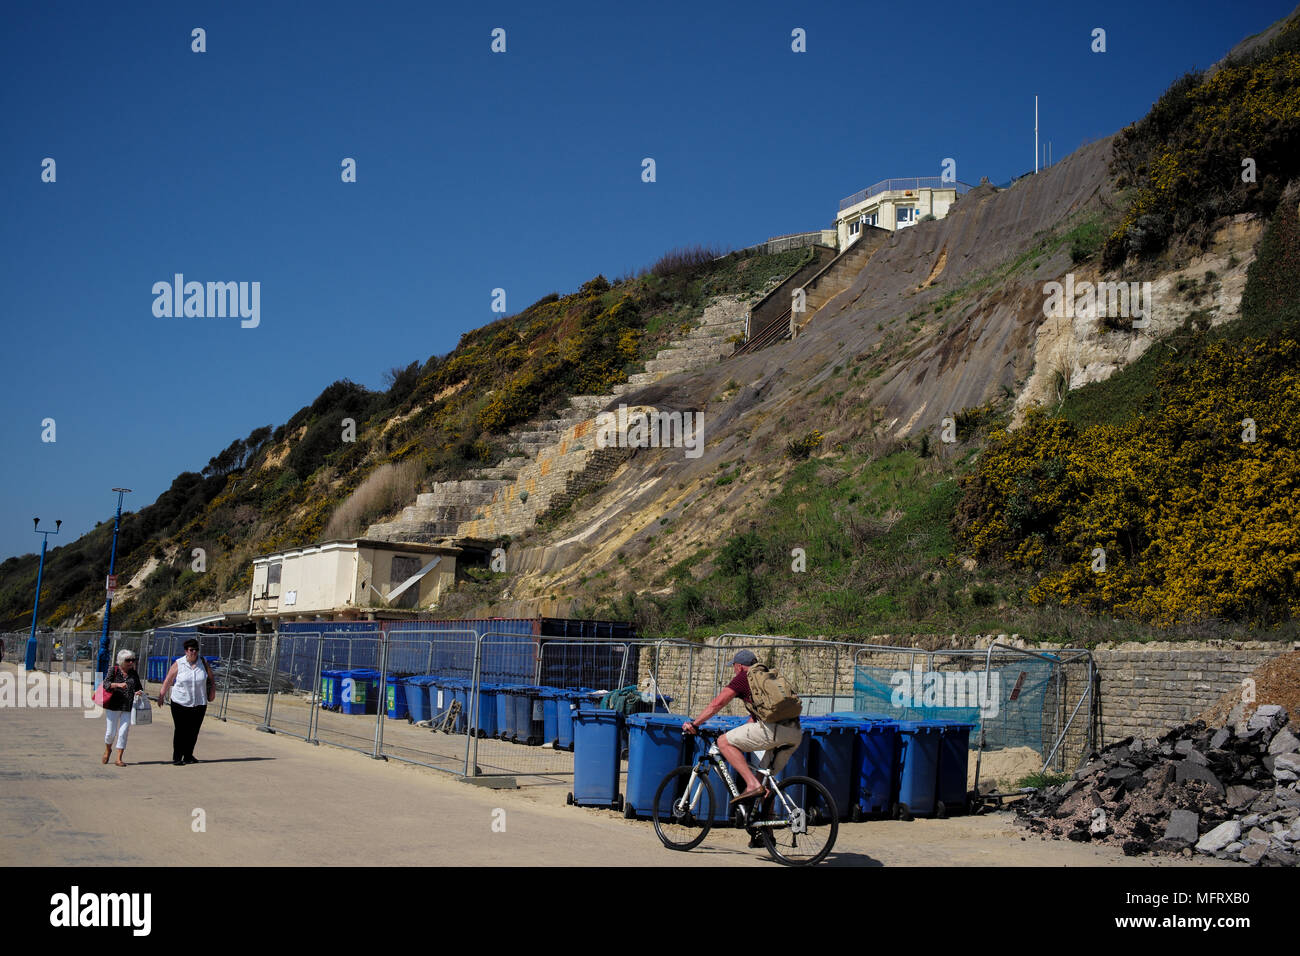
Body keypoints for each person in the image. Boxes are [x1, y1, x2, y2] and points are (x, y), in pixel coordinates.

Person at [682, 649, 803, 804]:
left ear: (739, 666)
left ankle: (751, 785)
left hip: (774, 731)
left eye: (733, 666)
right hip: (795, 732)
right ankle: (766, 824)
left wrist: (694, 724)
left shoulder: (743, 677)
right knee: (764, 782)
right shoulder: (767, 678)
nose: (734, 670)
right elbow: (756, 719)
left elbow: (717, 703)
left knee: (723, 742)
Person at [158, 639, 215, 766]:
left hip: (199, 702)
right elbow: (168, 679)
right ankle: (177, 757)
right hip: (180, 702)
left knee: (194, 731)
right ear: (186, 651)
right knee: (181, 730)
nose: (194, 652)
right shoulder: (179, 663)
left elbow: (211, 679)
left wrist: (212, 693)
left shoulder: (203, 663)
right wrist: (161, 695)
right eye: (191, 650)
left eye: (196, 650)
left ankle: (188, 755)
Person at [102, 649, 144, 767]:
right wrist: (117, 685)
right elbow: (106, 684)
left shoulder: (133, 673)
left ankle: (119, 758)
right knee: (110, 732)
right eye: (128, 660)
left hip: (128, 706)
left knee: (123, 732)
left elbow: (139, 687)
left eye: (132, 660)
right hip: (113, 706)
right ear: (121, 661)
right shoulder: (113, 670)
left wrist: (138, 692)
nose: (131, 662)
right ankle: (108, 749)